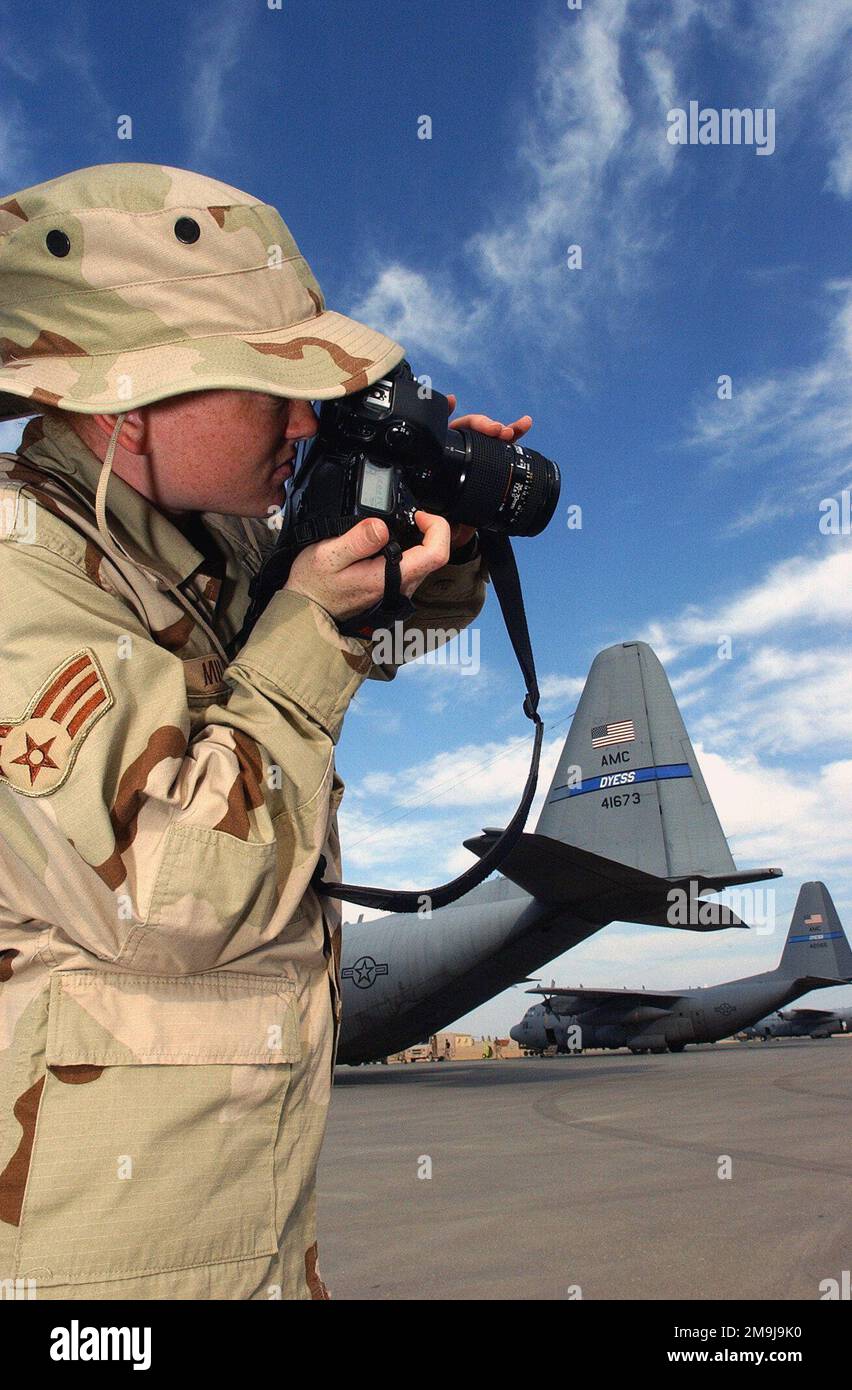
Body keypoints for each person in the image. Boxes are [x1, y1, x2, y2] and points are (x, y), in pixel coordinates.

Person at [0, 162, 532, 1300]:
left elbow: (371, 623)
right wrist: (308, 636)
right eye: (268, 381)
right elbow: (176, 893)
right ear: (125, 398)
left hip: (215, 1239)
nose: (302, 417)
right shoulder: (18, 576)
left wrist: (446, 519)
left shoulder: (184, 546)